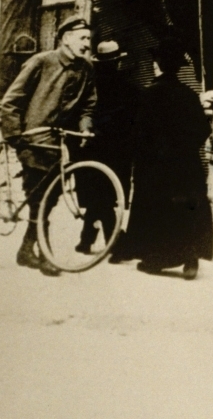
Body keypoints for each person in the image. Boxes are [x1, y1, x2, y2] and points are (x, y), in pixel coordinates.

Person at [0, 17, 97, 276]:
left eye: (89, 38)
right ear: (66, 38)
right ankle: (44, 253)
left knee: (49, 198)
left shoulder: (86, 69)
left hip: (59, 144)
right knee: (39, 196)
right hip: (33, 140)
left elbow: (88, 104)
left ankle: (25, 249)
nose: (87, 44)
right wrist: (14, 135)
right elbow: (12, 99)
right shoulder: (42, 61)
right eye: (83, 38)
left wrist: (85, 127)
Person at [125, 36, 213, 280]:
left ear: (159, 65)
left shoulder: (149, 95)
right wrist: (185, 148)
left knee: (157, 209)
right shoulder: (188, 94)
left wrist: (145, 153)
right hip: (186, 164)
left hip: (155, 166)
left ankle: (156, 259)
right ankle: (190, 257)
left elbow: (137, 132)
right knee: (187, 206)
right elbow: (203, 129)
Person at [80, 40, 138, 261]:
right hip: (118, 151)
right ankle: (116, 245)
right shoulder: (129, 87)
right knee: (107, 197)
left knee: (98, 194)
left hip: (94, 147)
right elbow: (134, 120)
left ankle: (86, 239)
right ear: (118, 62)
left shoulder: (90, 86)